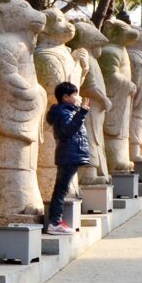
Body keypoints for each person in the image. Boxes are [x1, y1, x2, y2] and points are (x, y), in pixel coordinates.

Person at [43, 81, 91, 235]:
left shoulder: (69, 111)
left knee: (62, 188)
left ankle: (56, 221)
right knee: (61, 189)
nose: (78, 97)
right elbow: (67, 131)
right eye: (75, 94)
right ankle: (55, 223)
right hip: (68, 155)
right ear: (65, 97)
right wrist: (82, 112)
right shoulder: (63, 112)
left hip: (71, 154)